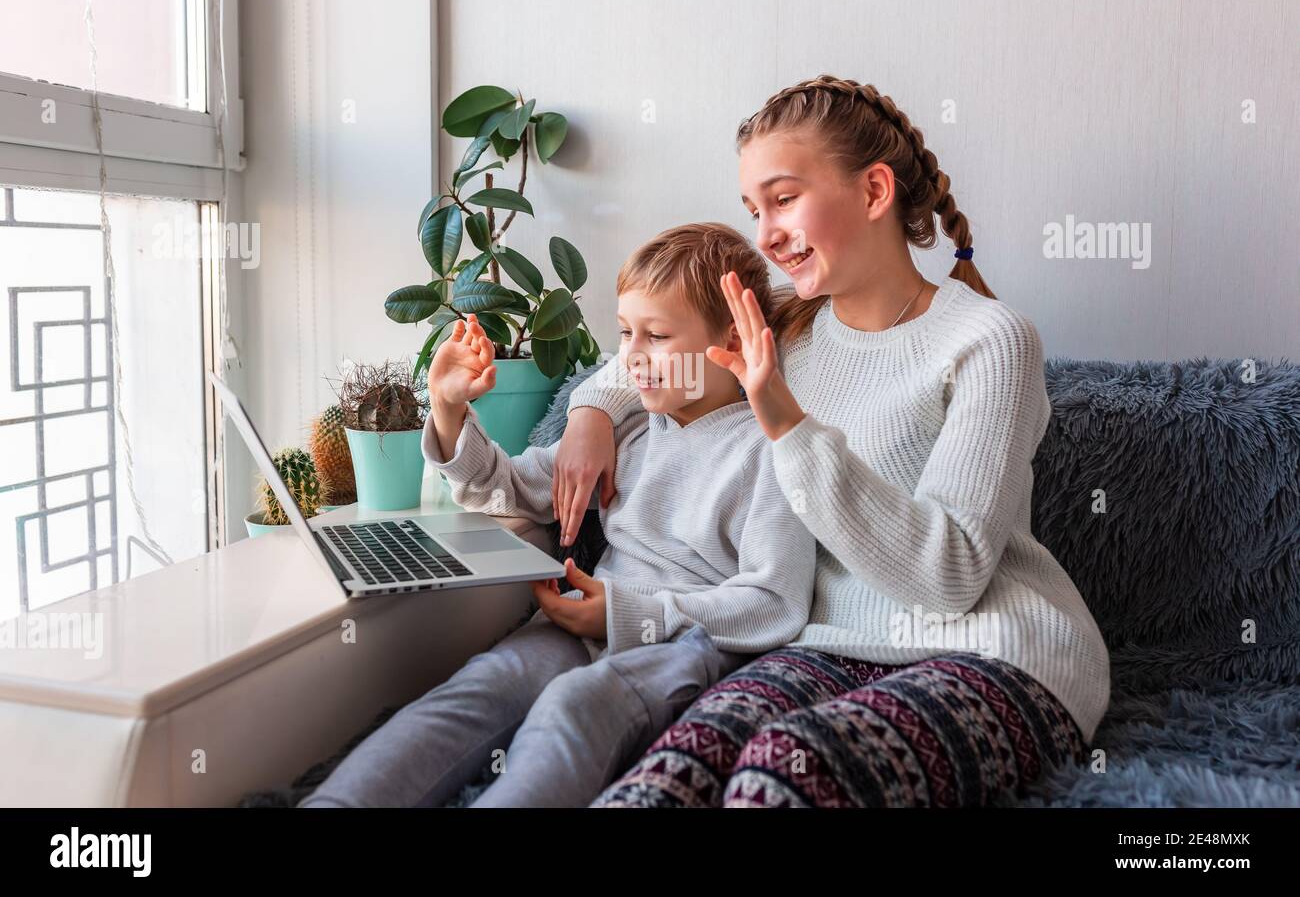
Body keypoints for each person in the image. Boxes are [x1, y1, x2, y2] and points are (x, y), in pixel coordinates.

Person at [554, 75, 1112, 807]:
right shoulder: (786, 328)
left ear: (875, 191)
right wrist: (589, 413)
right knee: (666, 779)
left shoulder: (990, 340)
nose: (764, 235)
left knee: (780, 776)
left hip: (993, 650)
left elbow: (949, 575)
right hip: (824, 644)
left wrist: (786, 422)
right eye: (754, 210)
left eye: (784, 199)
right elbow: (656, 350)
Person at [298, 222, 815, 808]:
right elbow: (505, 488)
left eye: (658, 336)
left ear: (734, 341)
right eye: (625, 334)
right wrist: (447, 408)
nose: (632, 360)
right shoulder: (630, 428)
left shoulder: (772, 451)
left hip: (688, 644)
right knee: (482, 685)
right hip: (584, 618)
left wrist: (625, 614)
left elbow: (777, 602)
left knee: (572, 710)